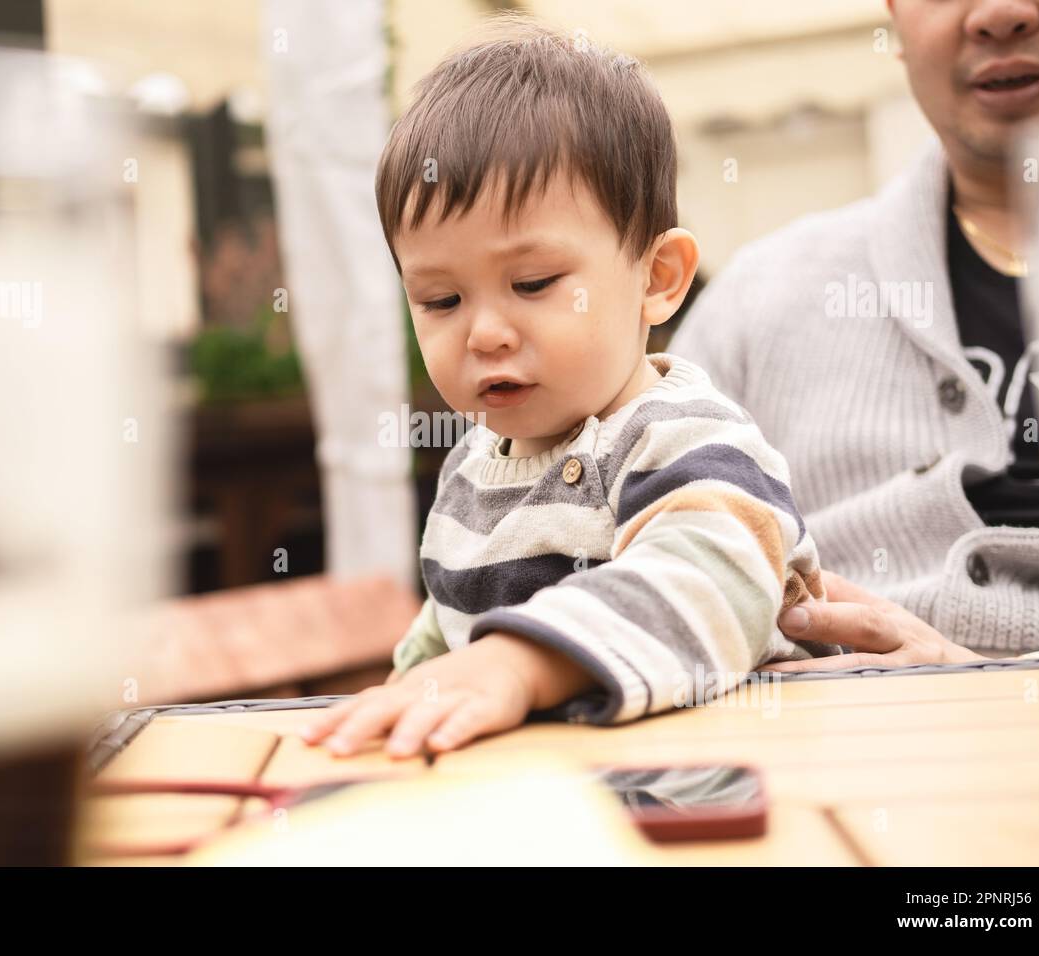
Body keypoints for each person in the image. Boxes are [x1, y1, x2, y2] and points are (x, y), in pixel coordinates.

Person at [301, 16, 835, 760]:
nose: (484, 332)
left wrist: (521, 662)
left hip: (739, 781)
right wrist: (404, 701)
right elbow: (449, 626)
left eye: (532, 283)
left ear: (656, 279)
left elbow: (714, 575)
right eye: (441, 300)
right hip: (565, 793)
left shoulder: (687, 438)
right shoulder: (471, 469)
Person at [670, 0, 1039, 671]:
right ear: (894, 17)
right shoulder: (758, 299)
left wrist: (989, 677)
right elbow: (612, 550)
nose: (1000, 14)